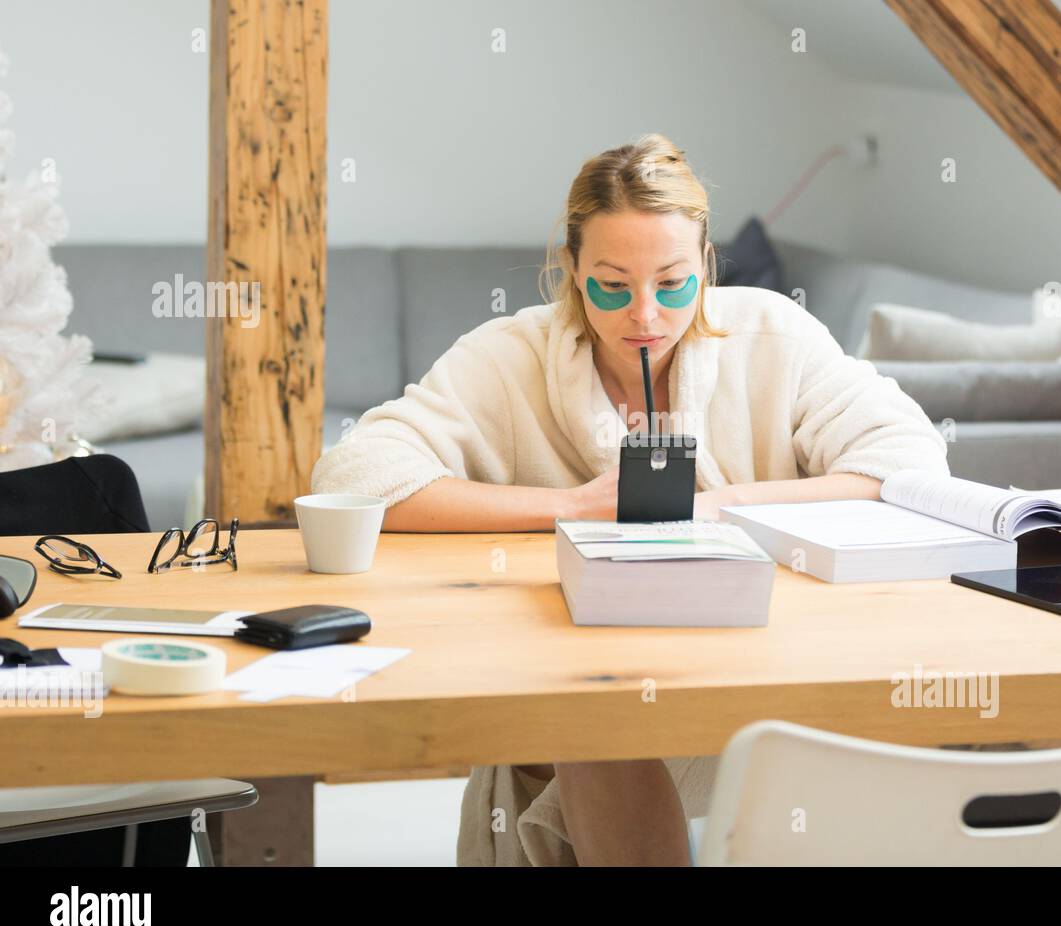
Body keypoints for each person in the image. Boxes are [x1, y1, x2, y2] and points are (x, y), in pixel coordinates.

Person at [311, 133, 950, 865]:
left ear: (706, 266)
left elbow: (907, 459)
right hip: (582, 678)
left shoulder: (773, 334)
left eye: (673, 284)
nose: (645, 315)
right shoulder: (511, 355)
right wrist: (575, 507)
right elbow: (354, 475)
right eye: (613, 285)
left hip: (758, 666)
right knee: (598, 728)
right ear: (572, 272)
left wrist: (725, 506)